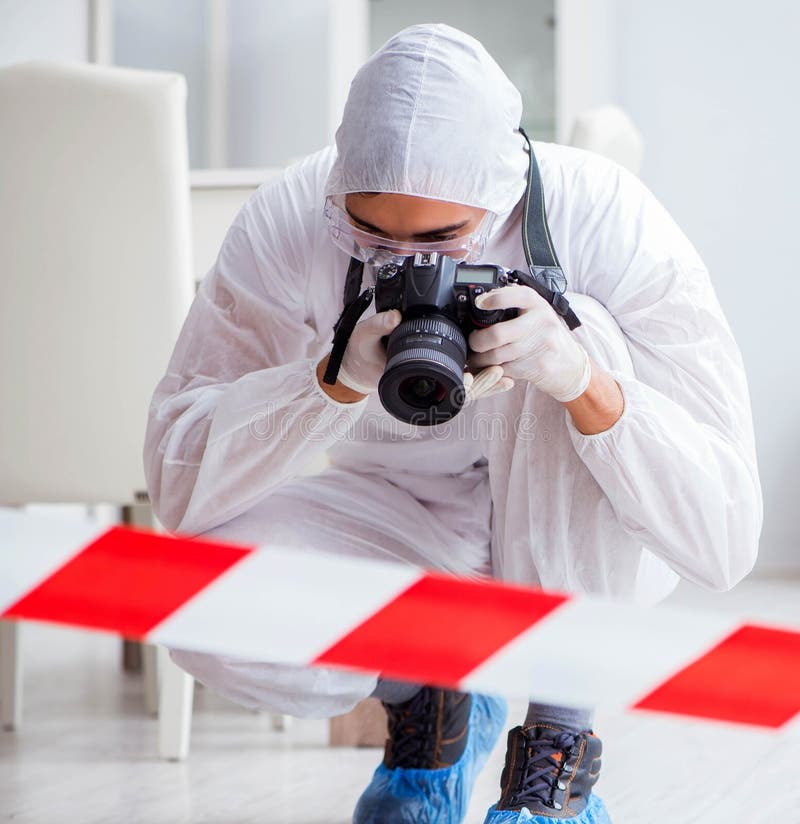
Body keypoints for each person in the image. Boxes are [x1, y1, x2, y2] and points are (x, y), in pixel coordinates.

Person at [143, 23, 763, 824]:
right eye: (374, 237)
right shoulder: (291, 219)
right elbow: (177, 485)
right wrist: (328, 381)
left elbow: (724, 540)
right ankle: (430, 695)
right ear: (338, 194)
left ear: (501, 197)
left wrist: (584, 381)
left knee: (584, 326)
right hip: (400, 526)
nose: (408, 266)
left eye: (442, 242)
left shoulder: (607, 215)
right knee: (195, 601)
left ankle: (556, 753)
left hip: (579, 555)